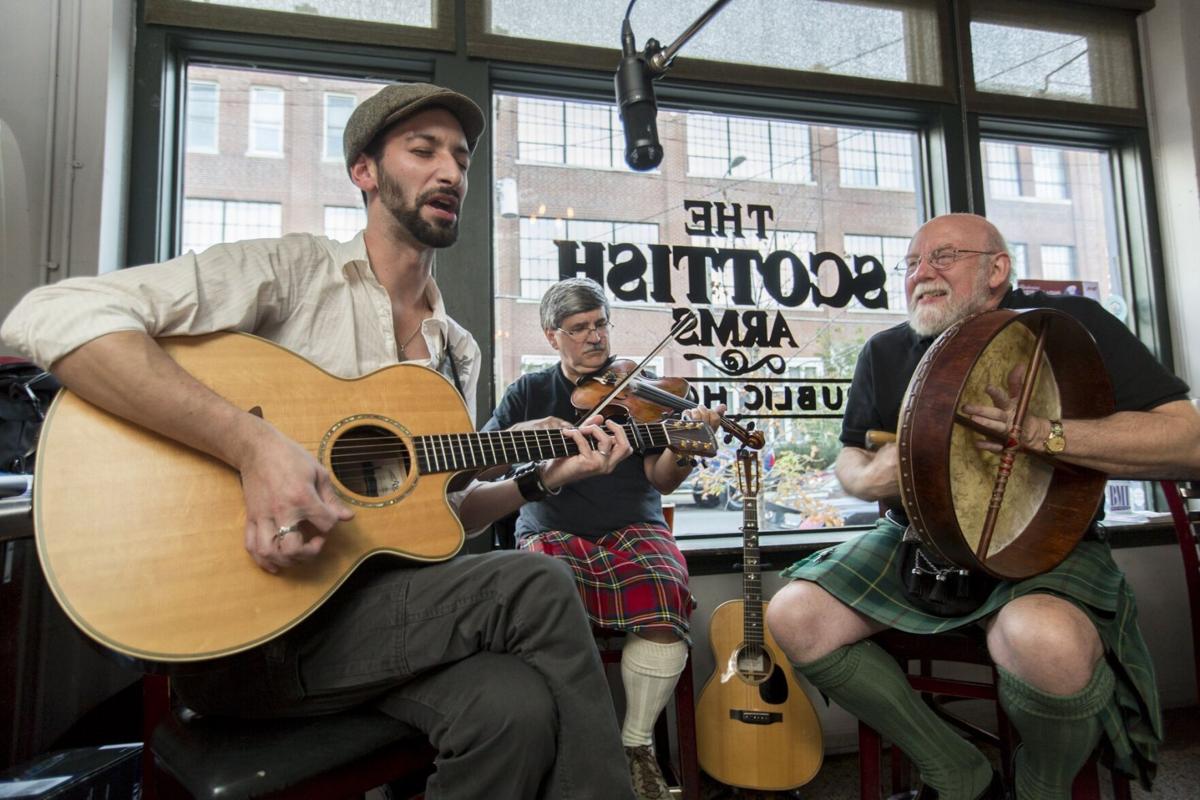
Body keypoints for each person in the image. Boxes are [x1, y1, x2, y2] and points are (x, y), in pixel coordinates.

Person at [2, 83, 636, 800]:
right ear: (364, 170)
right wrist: (252, 447)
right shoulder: (296, 272)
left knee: (511, 710)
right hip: (253, 638)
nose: (451, 172)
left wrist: (536, 481)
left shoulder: (455, 350)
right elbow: (50, 315)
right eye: (423, 151)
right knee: (538, 578)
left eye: (460, 157)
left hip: (375, 627)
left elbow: (427, 521)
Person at [764, 213, 1200, 800]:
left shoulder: (1072, 327)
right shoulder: (886, 351)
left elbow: (1186, 442)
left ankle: (1040, 783)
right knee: (792, 614)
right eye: (912, 263)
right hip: (914, 538)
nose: (923, 273)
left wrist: (1048, 434)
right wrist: (870, 478)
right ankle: (957, 773)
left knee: (1046, 640)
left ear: (998, 269)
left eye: (943, 256)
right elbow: (850, 454)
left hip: (1048, 539)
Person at [481, 277, 724, 800]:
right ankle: (570, 750)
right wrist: (528, 444)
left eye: (600, 325)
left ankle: (636, 748)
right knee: (545, 597)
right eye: (578, 329)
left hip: (634, 526)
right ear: (552, 336)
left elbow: (662, 478)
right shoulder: (528, 392)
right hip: (552, 529)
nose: (594, 338)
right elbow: (488, 464)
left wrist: (686, 444)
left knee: (665, 583)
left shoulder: (643, 389)